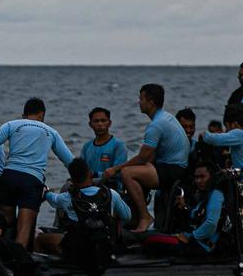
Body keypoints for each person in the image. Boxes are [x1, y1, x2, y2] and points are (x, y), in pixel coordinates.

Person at [0, 97, 74, 251]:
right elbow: (69, 161)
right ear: (42, 115)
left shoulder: (12, 125)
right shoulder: (51, 132)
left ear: (23, 114)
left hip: (9, 176)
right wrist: (88, 177)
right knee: (24, 228)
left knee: (6, 220)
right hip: (32, 180)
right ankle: (18, 263)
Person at [104, 84, 189, 233]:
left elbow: (142, 157)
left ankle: (145, 217)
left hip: (174, 170)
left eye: (141, 98)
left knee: (127, 173)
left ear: (150, 102)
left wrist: (115, 169)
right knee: (136, 170)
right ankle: (133, 218)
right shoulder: (166, 117)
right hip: (172, 165)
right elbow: (149, 157)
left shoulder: (156, 125)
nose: (139, 102)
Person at [43, 159, 132, 266]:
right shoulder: (111, 194)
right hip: (107, 248)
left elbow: (51, 198)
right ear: (90, 174)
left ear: (72, 179)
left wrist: (46, 191)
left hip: (79, 252)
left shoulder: (66, 198)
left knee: (41, 238)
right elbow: (127, 217)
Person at [200, 104, 243, 237]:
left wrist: (204, 135)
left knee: (239, 220)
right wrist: (227, 172)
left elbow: (216, 139)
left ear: (234, 124)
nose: (226, 131)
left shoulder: (239, 134)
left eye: (227, 127)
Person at [80, 107, 127, 189]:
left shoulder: (118, 145)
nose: (100, 124)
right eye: (96, 121)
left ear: (109, 123)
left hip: (111, 189)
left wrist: (96, 174)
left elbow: (119, 173)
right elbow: (82, 170)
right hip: (89, 187)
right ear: (90, 124)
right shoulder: (87, 147)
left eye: (103, 120)